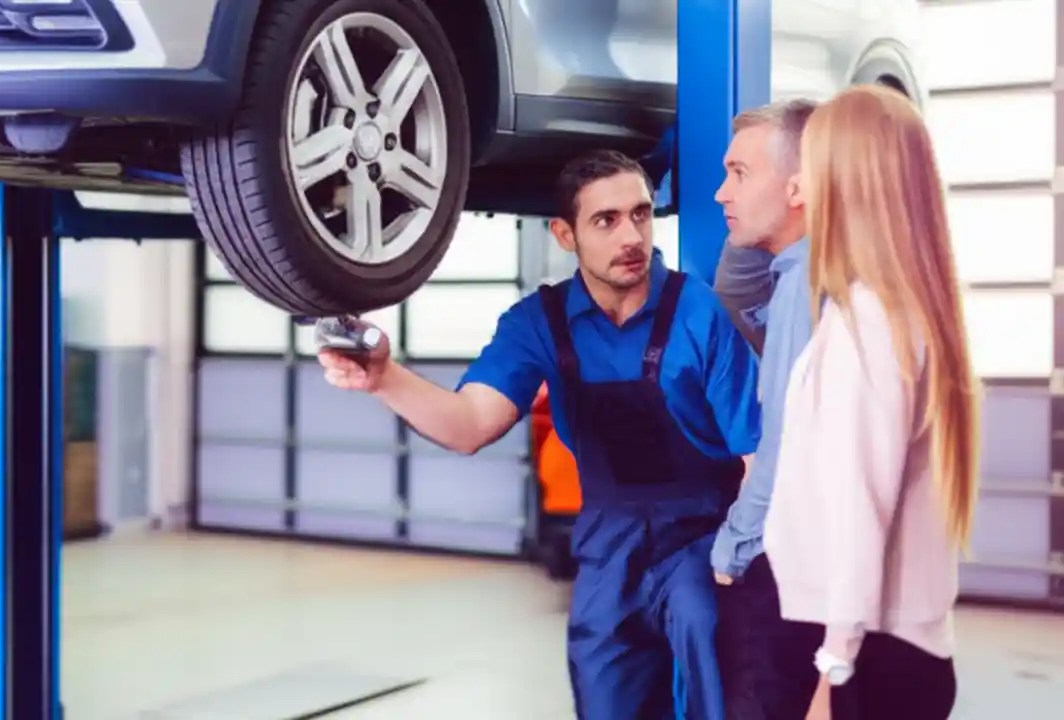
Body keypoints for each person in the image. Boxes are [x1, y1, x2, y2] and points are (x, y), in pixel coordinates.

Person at [318, 149, 761, 719]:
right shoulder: (538, 323)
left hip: (702, 543)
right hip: (609, 552)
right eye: (605, 220)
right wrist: (384, 377)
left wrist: (738, 559)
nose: (631, 236)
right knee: (605, 699)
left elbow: (755, 455)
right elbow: (471, 423)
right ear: (564, 234)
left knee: (713, 679)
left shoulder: (697, 311)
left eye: (641, 214)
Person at [764, 83, 978, 719]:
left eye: (813, 168)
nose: (798, 187)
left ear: (851, 183)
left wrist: (836, 666)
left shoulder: (873, 322)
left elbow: (860, 510)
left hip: (871, 655)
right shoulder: (901, 311)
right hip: (895, 651)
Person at [707, 98, 822, 719]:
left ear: (800, 184)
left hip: (781, 564)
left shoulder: (806, 288)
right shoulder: (802, 274)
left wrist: (734, 548)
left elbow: (785, 442)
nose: (722, 193)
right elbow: (736, 292)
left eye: (740, 173)